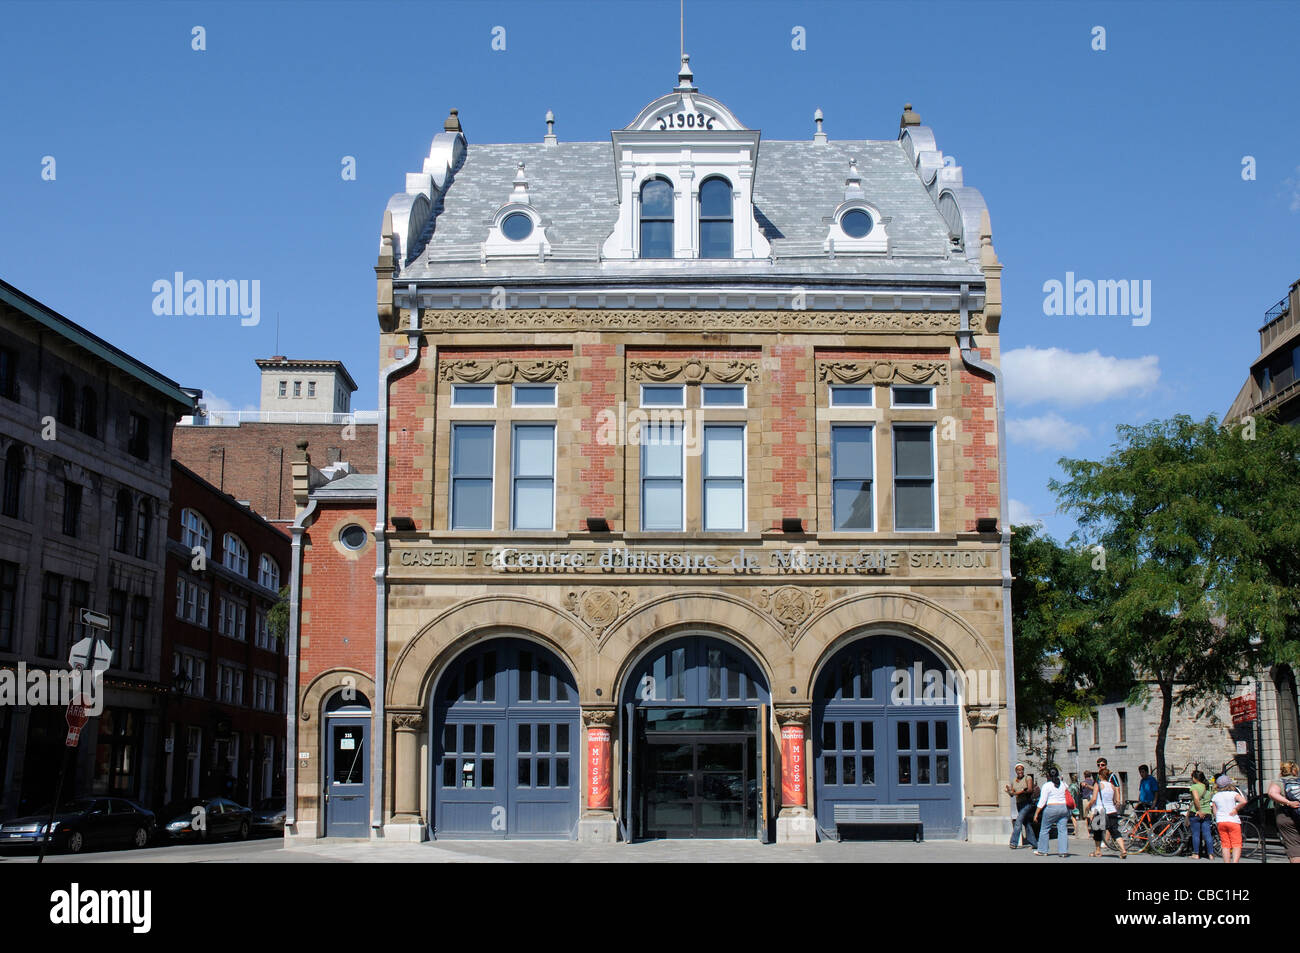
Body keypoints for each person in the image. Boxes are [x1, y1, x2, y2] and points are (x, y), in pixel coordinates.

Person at [1087, 766, 1127, 858]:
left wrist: (1088, 806)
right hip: (1112, 811)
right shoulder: (1112, 786)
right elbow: (1115, 800)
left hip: (1100, 810)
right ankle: (1123, 849)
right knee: (1115, 832)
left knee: (1097, 832)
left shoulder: (1098, 784)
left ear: (1100, 776)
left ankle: (1097, 851)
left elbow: (1093, 799)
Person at [1266, 760, 1300, 864]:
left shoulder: (1279, 782)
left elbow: (1272, 793)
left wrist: (1288, 802)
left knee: (1293, 846)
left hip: (1286, 816)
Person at [1033, 767, 1070, 857]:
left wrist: (1036, 813)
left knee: (1045, 829)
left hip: (1051, 808)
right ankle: (1063, 851)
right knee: (1062, 830)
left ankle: (1042, 850)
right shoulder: (1064, 784)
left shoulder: (1047, 785)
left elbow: (1042, 801)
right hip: (1064, 808)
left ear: (1048, 775)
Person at [1211, 775, 1247, 864]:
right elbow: (1244, 801)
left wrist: (1218, 818)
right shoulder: (1233, 794)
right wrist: (1236, 808)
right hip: (1233, 821)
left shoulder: (1216, 796)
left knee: (1225, 844)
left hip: (1221, 821)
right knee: (1236, 844)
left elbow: (1215, 811)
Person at [1006, 762, 1037, 850]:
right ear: (1016, 771)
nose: (1020, 771)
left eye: (1022, 769)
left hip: (1027, 803)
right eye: (1018, 770)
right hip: (1019, 804)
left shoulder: (1028, 778)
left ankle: (1013, 842)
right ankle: (1034, 843)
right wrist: (1009, 791)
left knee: (1018, 821)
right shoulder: (1014, 781)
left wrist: (1022, 791)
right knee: (1026, 823)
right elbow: (1012, 794)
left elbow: (1030, 790)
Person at [1187, 769, 1214, 860]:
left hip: (1196, 813)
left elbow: (1196, 799)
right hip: (1207, 812)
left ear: (1195, 778)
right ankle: (1211, 854)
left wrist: (1199, 810)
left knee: (1196, 834)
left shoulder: (1194, 787)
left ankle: (1196, 853)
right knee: (1207, 834)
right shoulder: (1208, 787)